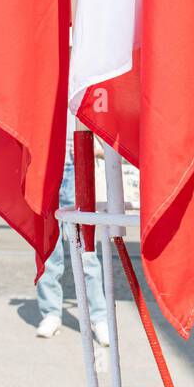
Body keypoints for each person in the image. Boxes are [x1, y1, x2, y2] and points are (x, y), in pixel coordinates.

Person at [37, 115, 109, 344]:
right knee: (49, 247)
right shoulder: (46, 79)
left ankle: (99, 317)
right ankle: (51, 313)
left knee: (86, 250)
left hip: (78, 162)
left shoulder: (83, 78)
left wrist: (100, 143)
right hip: (48, 162)